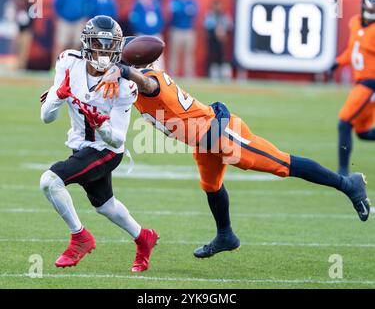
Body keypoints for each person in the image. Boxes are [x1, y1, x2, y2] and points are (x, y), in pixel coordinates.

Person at [95, 39, 371, 259]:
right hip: (203, 141)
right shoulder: (131, 86)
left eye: (122, 58)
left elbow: (146, 84)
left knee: (280, 164)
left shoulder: (148, 81)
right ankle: (226, 235)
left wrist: (123, 69)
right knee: (211, 185)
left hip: (221, 133)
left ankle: (348, 184)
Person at [40, 16, 158, 271]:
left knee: (50, 181)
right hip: (81, 145)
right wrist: (58, 96)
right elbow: (46, 118)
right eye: (98, 44)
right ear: (86, 43)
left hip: (106, 150)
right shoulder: (68, 62)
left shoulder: (125, 85)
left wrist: (102, 125)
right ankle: (144, 237)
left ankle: (79, 237)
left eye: (109, 46)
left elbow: (118, 139)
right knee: (106, 206)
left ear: (118, 49)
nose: (103, 52)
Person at [330, 0, 375, 176]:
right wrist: (338, 62)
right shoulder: (355, 22)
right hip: (361, 83)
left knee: (344, 122)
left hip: (370, 83)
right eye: (369, 3)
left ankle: (342, 171)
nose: (370, 8)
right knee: (362, 132)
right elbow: (352, 50)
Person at [128, 0, 165, 69]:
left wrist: (157, 29)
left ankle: (159, 72)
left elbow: (161, 18)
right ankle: (140, 70)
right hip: (142, 34)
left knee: (158, 54)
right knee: (141, 54)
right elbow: (133, 18)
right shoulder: (138, 4)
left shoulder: (156, 3)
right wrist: (139, 30)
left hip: (155, 33)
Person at [52, 0, 88, 66]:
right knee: (60, 45)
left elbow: (86, 5)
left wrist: (84, 16)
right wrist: (60, 16)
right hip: (64, 20)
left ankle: (71, 68)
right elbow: (57, 4)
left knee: (76, 46)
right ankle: (55, 67)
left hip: (79, 21)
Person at [168, 0, 198, 78]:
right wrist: (185, 10)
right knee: (174, 53)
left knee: (189, 54)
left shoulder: (191, 0)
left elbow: (194, 12)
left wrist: (183, 10)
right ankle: (172, 74)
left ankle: (189, 74)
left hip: (189, 30)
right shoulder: (175, 0)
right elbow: (175, 13)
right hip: (176, 29)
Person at [204, 0, 233, 81]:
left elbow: (230, 25)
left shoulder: (224, 15)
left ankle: (224, 75)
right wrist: (216, 29)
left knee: (223, 57)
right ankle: (214, 75)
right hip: (213, 40)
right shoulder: (210, 15)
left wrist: (222, 31)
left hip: (222, 41)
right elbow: (207, 25)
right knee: (213, 57)